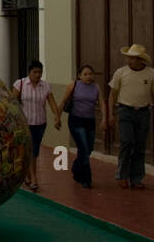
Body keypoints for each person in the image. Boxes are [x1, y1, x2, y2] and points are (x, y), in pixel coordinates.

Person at [105, 43, 154, 190]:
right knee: (127, 142)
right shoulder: (120, 72)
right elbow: (112, 94)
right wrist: (110, 114)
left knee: (140, 146)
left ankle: (136, 178)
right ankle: (122, 175)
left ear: (140, 60)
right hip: (125, 111)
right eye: (129, 58)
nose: (129, 61)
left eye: (133, 58)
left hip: (144, 112)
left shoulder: (151, 74)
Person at [12, 60, 60, 192]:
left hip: (40, 123)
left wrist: (57, 116)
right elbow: (12, 102)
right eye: (35, 72)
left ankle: (27, 174)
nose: (38, 75)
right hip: (25, 124)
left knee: (34, 150)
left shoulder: (45, 86)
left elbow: (51, 102)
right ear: (29, 72)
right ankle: (34, 178)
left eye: (40, 72)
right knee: (31, 150)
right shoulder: (20, 84)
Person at [57, 64, 107, 189]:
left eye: (90, 74)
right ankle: (86, 179)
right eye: (85, 74)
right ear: (80, 76)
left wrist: (104, 119)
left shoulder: (96, 87)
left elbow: (101, 103)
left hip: (90, 121)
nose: (88, 76)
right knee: (84, 149)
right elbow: (63, 101)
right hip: (76, 120)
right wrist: (57, 118)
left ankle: (75, 167)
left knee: (88, 149)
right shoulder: (74, 85)